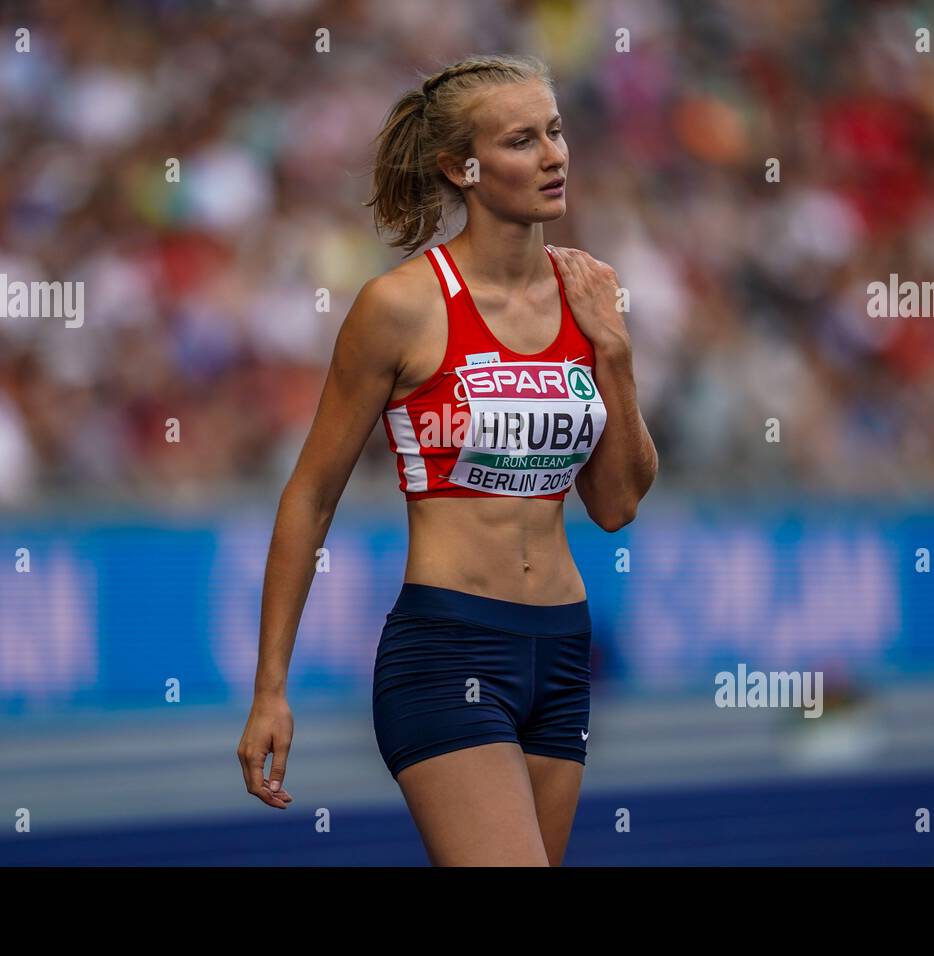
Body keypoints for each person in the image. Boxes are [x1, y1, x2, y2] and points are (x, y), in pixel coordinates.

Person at [237, 53, 658, 865]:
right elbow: (310, 497)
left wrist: (615, 355)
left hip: (565, 652)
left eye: (557, 132)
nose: (554, 156)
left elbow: (616, 506)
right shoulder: (400, 306)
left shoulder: (589, 291)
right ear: (460, 168)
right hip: (449, 649)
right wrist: (270, 690)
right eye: (522, 140)